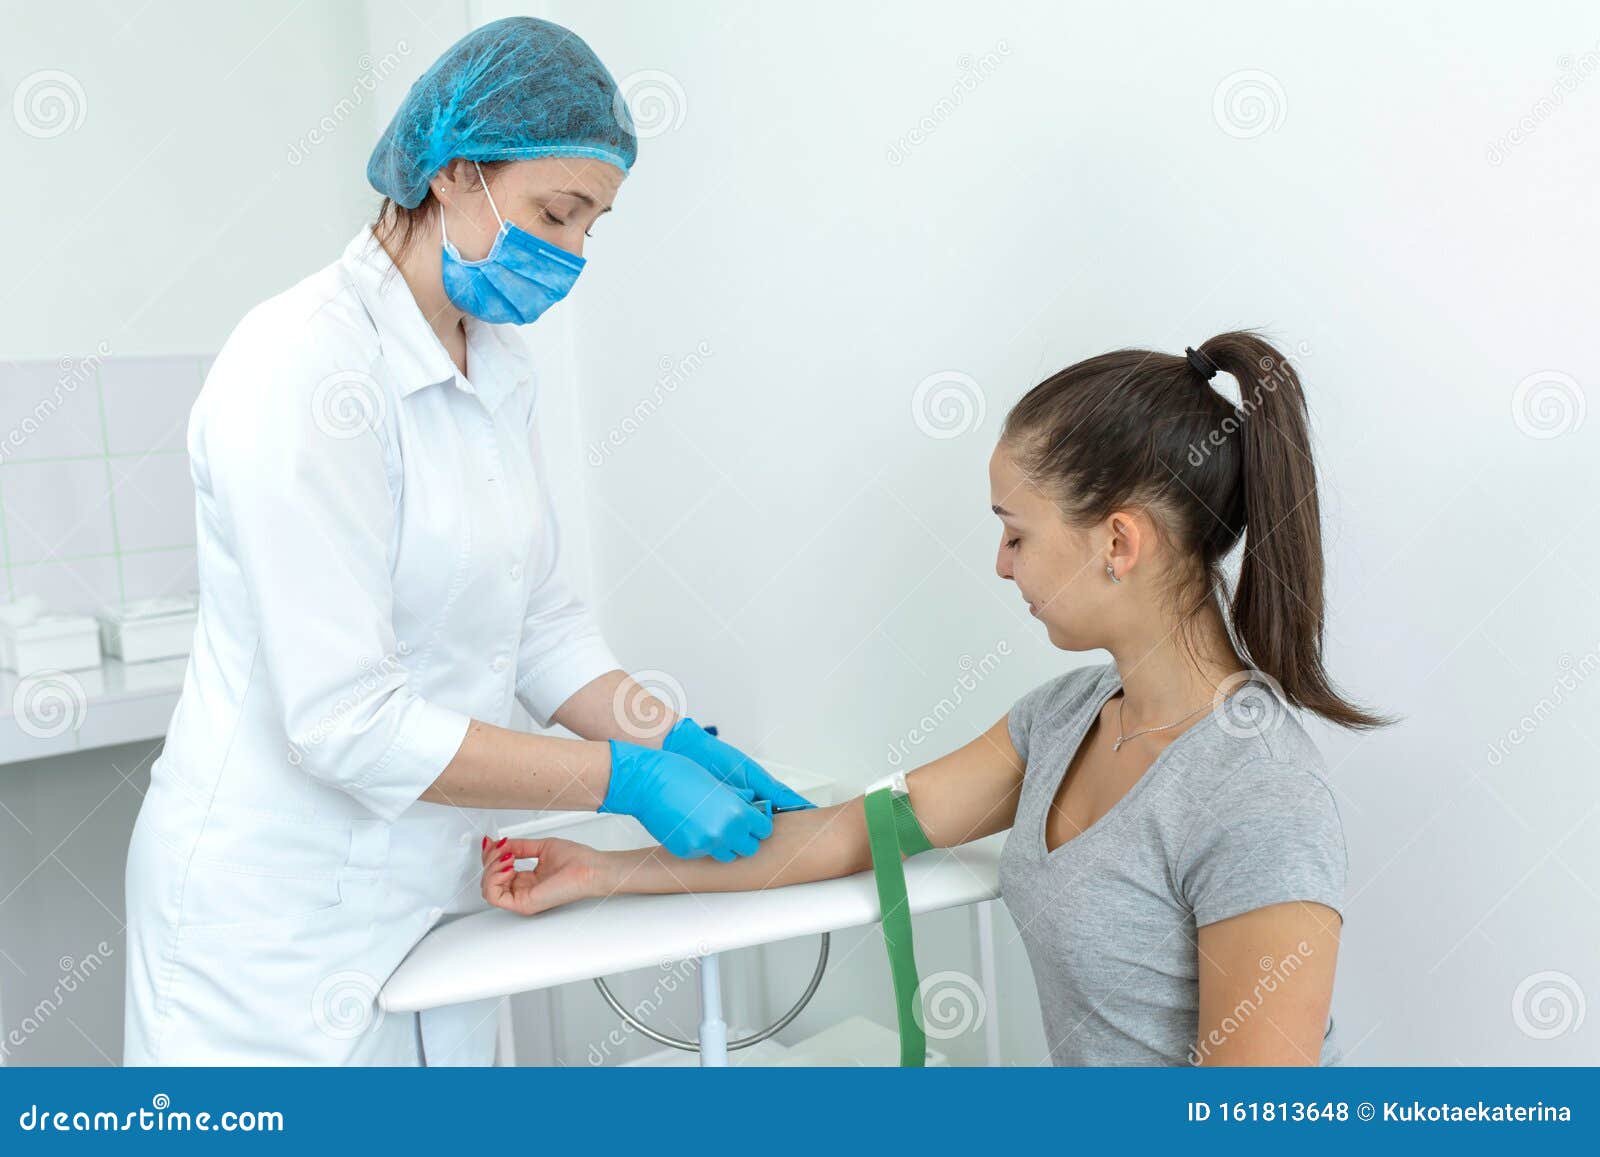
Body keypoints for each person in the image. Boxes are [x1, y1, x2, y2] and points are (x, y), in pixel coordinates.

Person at [123, 16, 807, 1066]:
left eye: (592, 223)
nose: (573, 252)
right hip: (275, 925)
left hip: (430, 892)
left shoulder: (494, 361)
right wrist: (622, 779)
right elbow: (345, 721)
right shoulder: (302, 367)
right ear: (451, 174)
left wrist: (671, 735)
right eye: (556, 211)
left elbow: (538, 622)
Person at [476, 333, 1393, 1066]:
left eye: (1016, 533)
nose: (1001, 564)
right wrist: (600, 873)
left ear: (1119, 540)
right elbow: (849, 833)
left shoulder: (1257, 792)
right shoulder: (1064, 718)